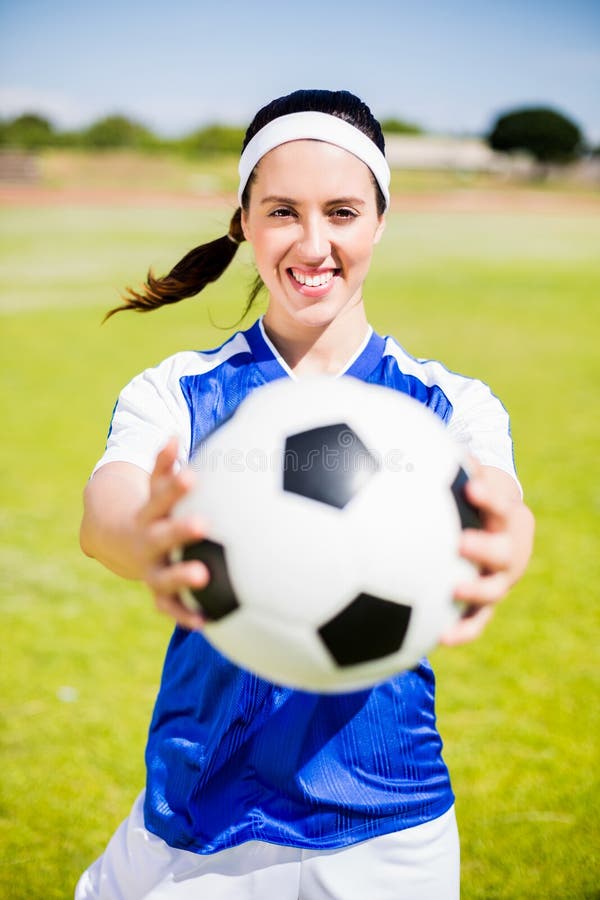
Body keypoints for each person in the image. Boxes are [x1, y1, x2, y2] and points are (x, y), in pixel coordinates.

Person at [76, 89, 534, 899]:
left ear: (381, 221)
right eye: (282, 211)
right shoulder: (180, 392)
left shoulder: (446, 406)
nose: (313, 243)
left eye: (343, 212)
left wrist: (507, 544)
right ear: (243, 221)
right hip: (195, 818)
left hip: (386, 829)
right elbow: (106, 508)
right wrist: (142, 534)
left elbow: (499, 502)